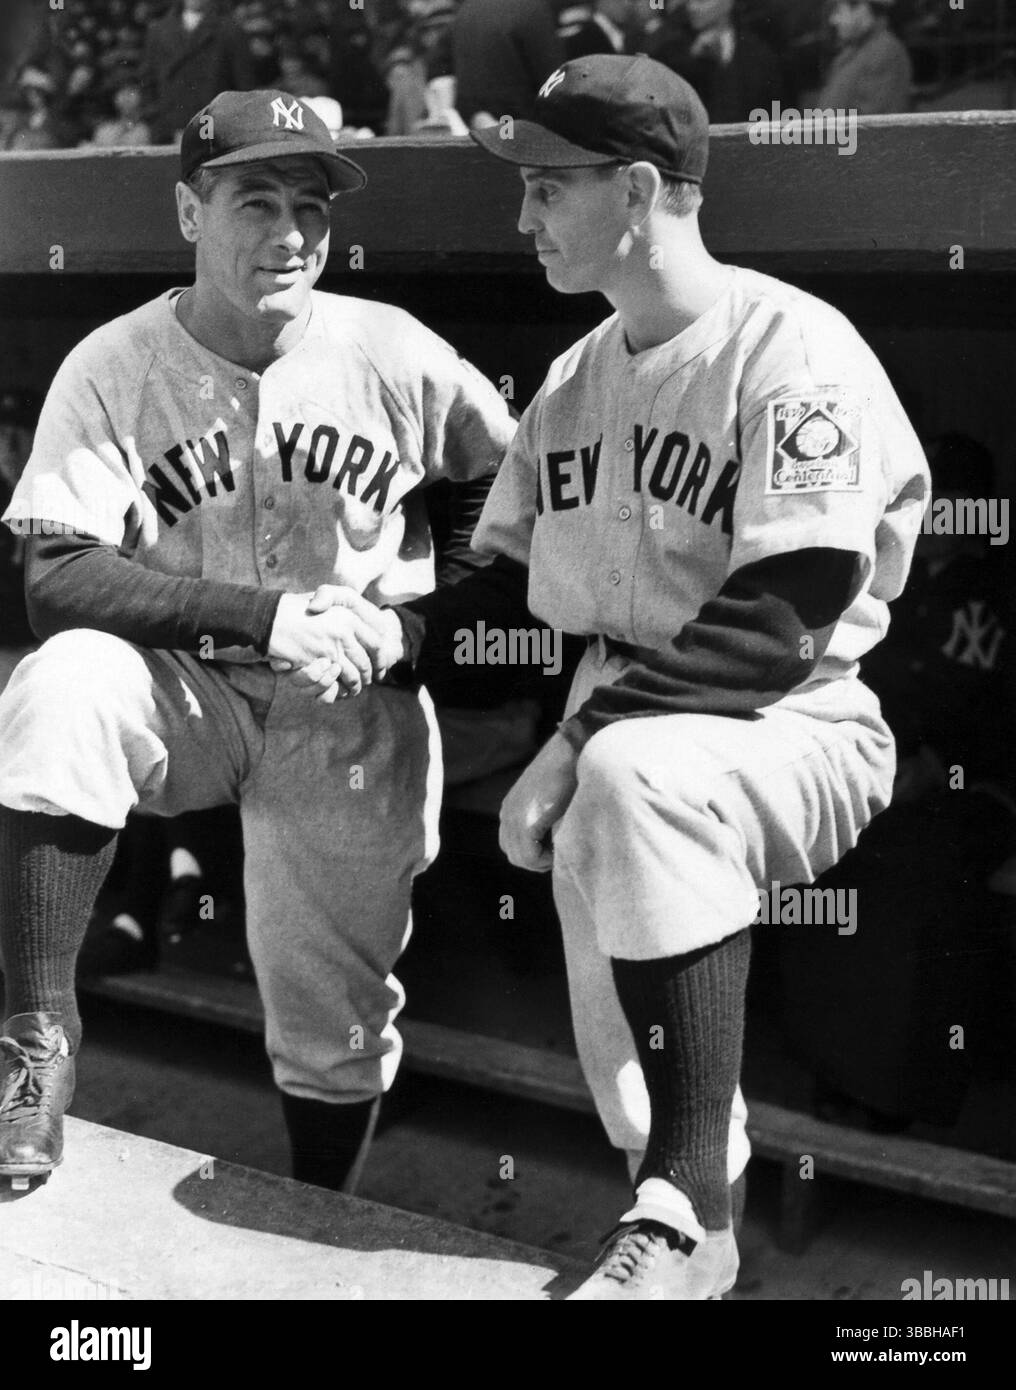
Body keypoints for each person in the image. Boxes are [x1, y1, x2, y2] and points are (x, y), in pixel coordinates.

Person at [348, 53, 928, 1297]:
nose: (522, 216)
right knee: (615, 997)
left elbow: (785, 613)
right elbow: (506, 578)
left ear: (642, 189)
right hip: (621, 711)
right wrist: (383, 634)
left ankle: (681, 1210)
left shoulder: (789, 349)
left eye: (548, 186)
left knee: (626, 775)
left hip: (792, 712)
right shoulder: (573, 378)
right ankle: (679, 1225)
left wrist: (568, 744)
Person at [0, 89, 515, 1193]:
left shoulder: (392, 351)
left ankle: (317, 1205)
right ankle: (35, 1044)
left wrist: (413, 629)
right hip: (188, 688)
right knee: (62, 685)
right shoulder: (115, 363)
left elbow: (507, 500)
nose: (289, 234)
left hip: (348, 707)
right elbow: (54, 576)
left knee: (331, 1021)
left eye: (309, 206)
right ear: (189, 213)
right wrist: (263, 614)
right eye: (253, 201)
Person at [139, 0, 257, 144]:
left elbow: (244, 88)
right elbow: (148, 83)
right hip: (170, 130)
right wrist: (159, 124)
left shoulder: (230, 31)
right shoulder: (158, 31)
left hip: (216, 130)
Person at [648, 0, 784, 124]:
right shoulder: (673, 49)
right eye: (689, 2)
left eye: (702, 2)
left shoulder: (757, 51)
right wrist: (692, 60)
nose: (692, 8)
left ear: (728, 3)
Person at [452, 0, 564, 128]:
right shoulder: (531, 8)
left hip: (483, 127)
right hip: (523, 128)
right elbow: (554, 79)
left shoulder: (465, 10)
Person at [817, 0, 912, 115]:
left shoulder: (885, 52)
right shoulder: (854, 52)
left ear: (863, 10)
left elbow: (870, 122)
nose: (833, 20)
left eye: (839, 11)